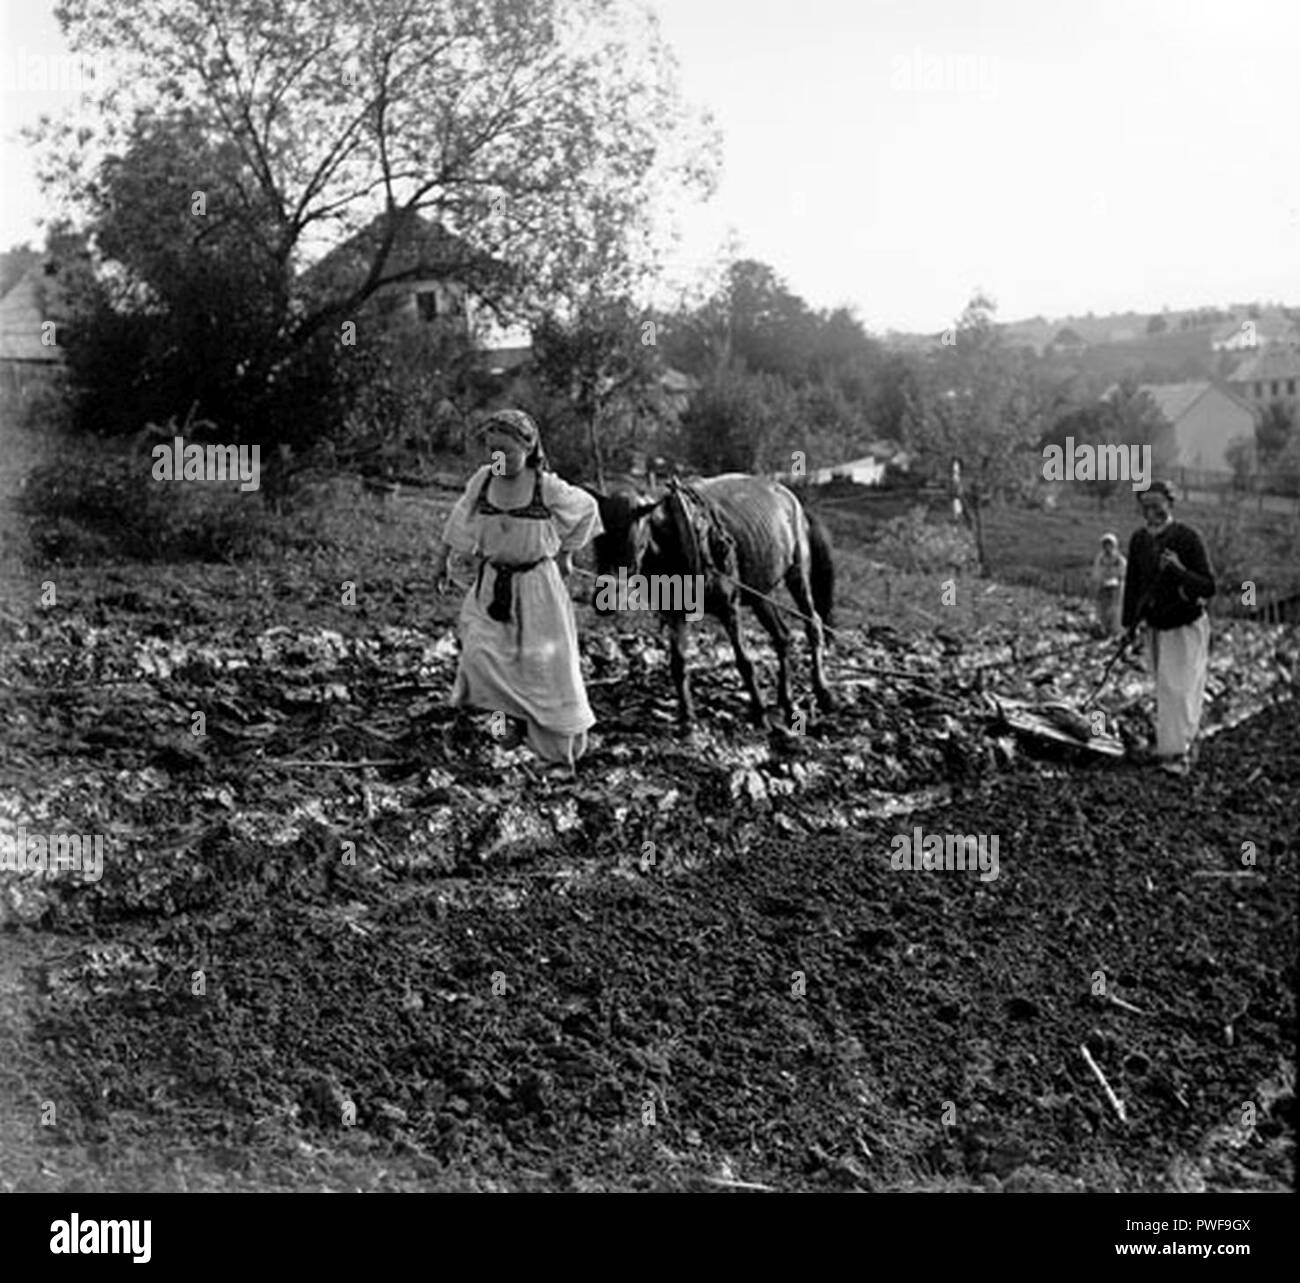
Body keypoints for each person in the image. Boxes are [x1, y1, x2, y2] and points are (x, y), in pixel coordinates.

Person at [430, 409, 603, 773]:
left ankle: (550, 747)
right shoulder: (483, 481)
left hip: (538, 591)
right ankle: (503, 731)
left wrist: (567, 554)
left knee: (541, 669)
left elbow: (587, 509)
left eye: (506, 451)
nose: (498, 459)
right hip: (492, 586)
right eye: (492, 449)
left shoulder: (545, 486)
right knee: (478, 655)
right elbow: (460, 515)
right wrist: (443, 559)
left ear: (528, 450)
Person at [1120, 481, 1216, 776]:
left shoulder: (1187, 538)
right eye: (1146, 506)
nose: (1152, 512)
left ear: (1170, 505)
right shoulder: (1138, 540)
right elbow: (1133, 584)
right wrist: (1129, 624)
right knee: (1165, 689)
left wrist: (1178, 569)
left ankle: (1178, 754)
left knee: (1179, 689)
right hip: (1157, 626)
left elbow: (1208, 586)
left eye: (1157, 505)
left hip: (1185, 624)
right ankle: (1174, 747)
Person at [1090, 532, 1127, 635]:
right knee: (1102, 609)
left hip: (1117, 588)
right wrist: (1099, 583)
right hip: (1103, 587)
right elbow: (1096, 573)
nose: (1107, 547)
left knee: (1116, 610)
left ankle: (1116, 629)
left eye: (1109, 544)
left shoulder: (1120, 560)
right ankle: (1103, 628)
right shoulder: (1100, 559)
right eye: (1105, 545)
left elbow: (1123, 573)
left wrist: (1119, 581)